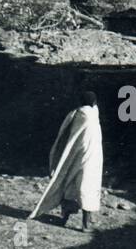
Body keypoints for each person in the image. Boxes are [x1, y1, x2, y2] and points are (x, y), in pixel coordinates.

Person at [29, 90, 104, 230]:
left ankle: (65, 218)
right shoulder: (94, 114)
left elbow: (66, 134)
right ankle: (86, 224)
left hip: (76, 155)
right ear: (94, 103)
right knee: (87, 187)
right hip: (92, 157)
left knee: (70, 184)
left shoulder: (78, 114)